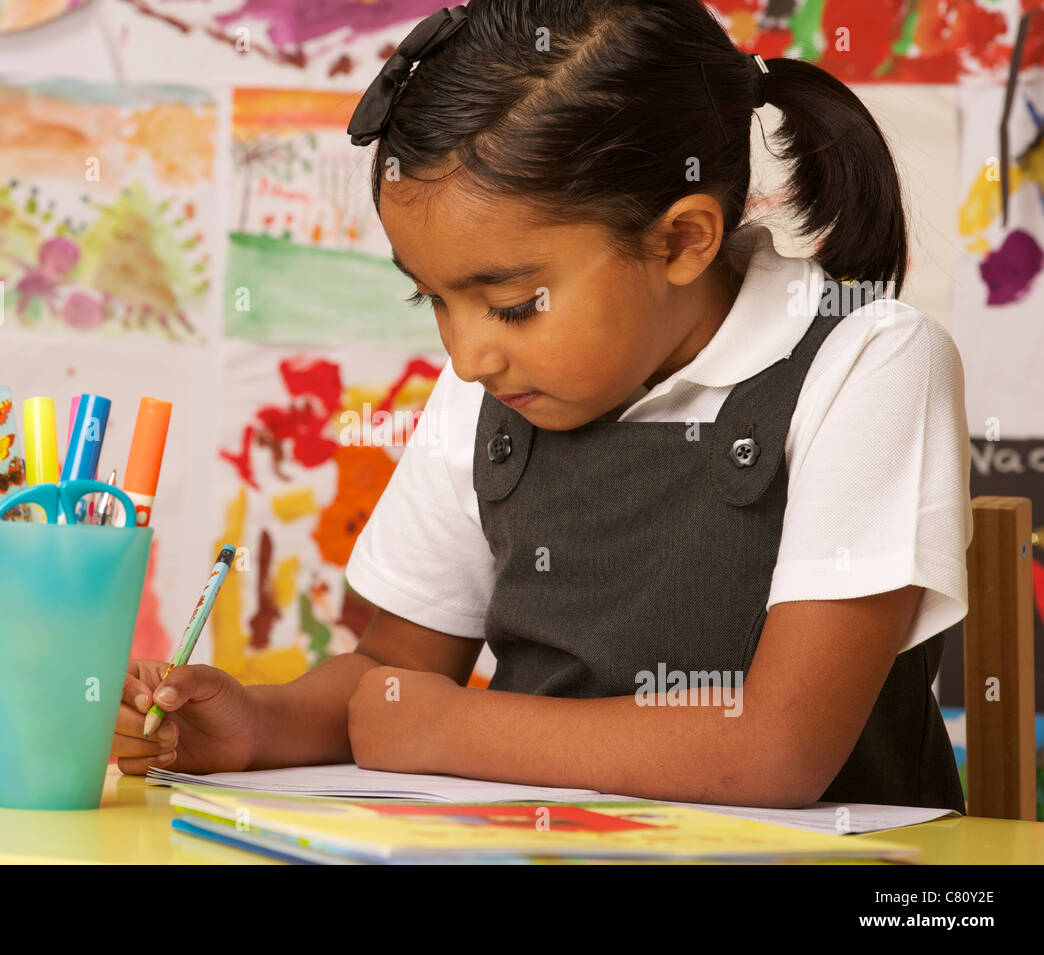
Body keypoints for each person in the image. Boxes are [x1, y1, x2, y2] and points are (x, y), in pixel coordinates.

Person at [112, 0, 970, 811]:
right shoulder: (495, 386)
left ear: (681, 239)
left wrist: (456, 726)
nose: (466, 353)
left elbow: (777, 750)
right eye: (433, 300)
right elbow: (390, 676)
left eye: (515, 302)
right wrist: (258, 725)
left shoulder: (866, 360)